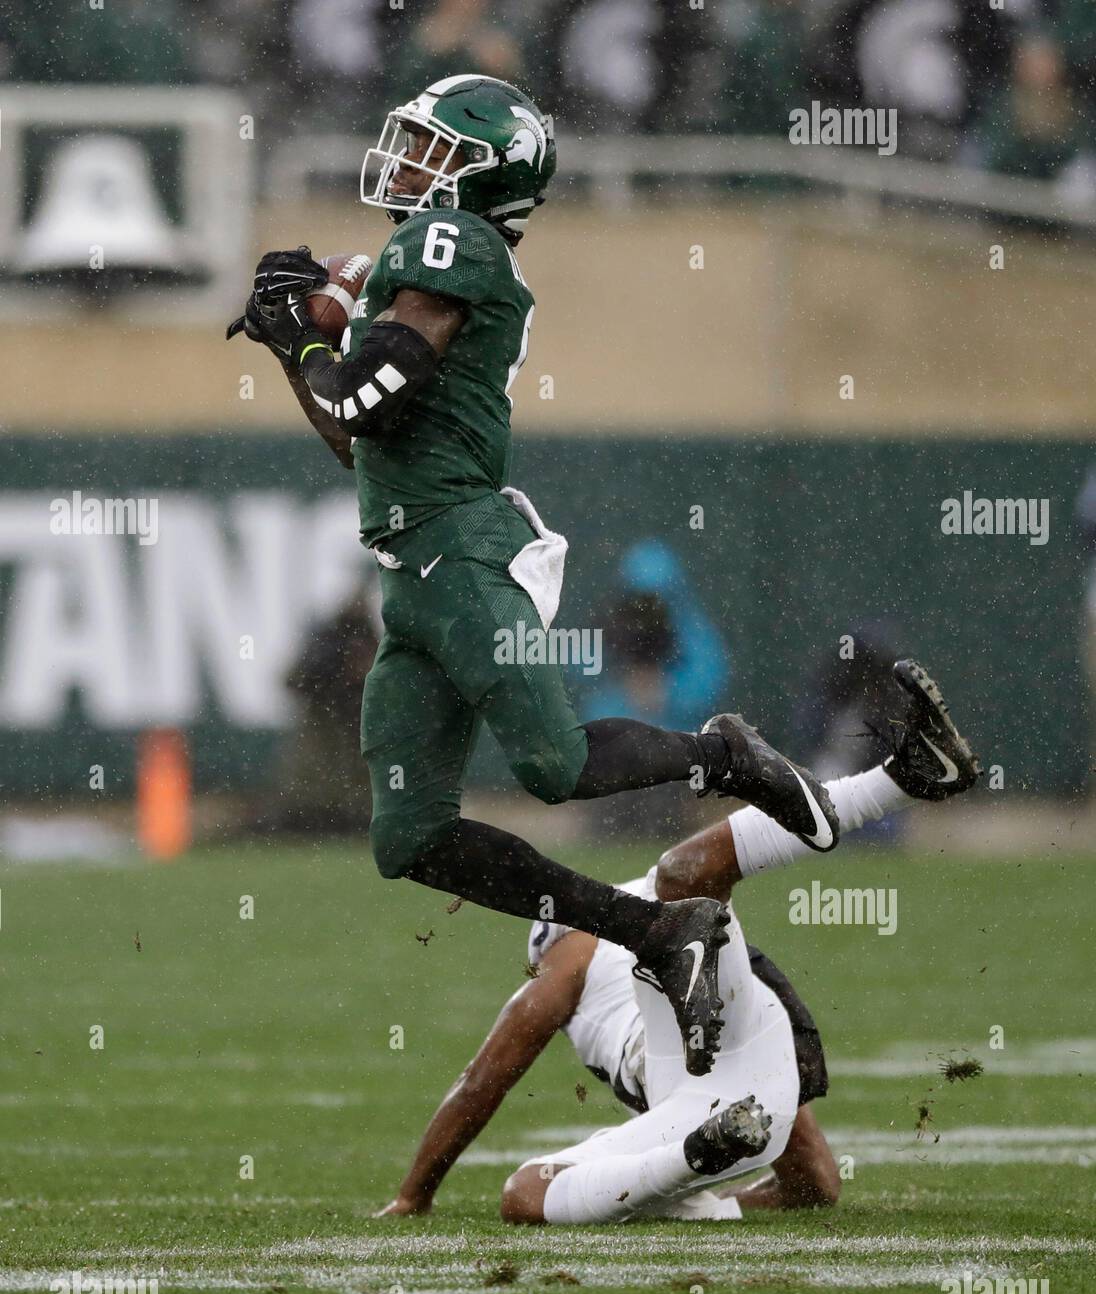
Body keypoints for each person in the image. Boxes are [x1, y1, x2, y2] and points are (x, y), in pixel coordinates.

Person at [227, 73, 840, 1078]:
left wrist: (304, 330)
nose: (410, 166)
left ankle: (719, 755)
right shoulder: (420, 258)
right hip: (413, 570)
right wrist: (294, 350)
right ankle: (655, 929)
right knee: (411, 835)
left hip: (461, 549)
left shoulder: (455, 244)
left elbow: (371, 398)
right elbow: (354, 434)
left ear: (482, 172)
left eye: (433, 151)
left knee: (551, 765)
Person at [377, 659, 980, 1223]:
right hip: (759, 1058)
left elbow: (483, 1079)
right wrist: (729, 1207)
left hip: (699, 1073)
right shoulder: (629, 926)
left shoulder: (569, 951)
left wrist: (415, 1194)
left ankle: (691, 1161)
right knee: (681, 880)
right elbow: (815, 1184)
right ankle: (900, 780)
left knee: (523, 1195)